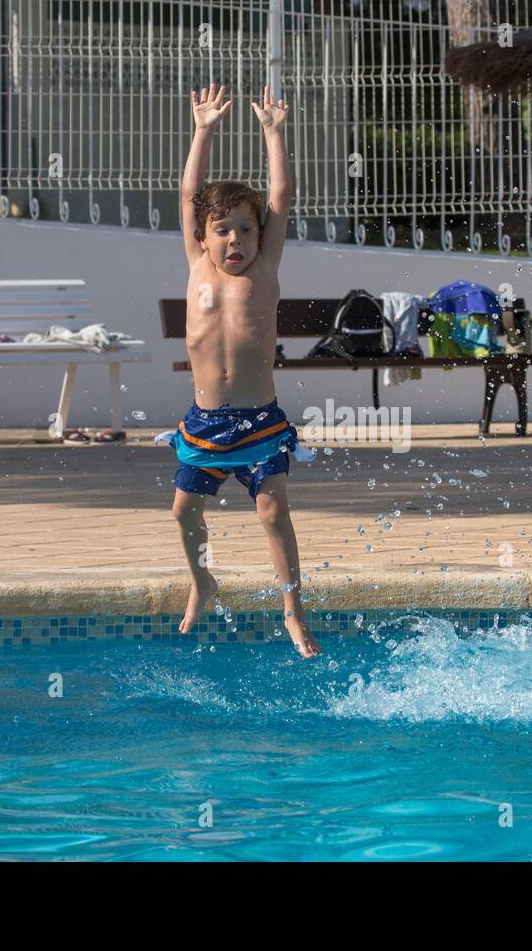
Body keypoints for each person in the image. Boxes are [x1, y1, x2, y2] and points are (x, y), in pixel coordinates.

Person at [168, 81, 321, 659]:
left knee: (274, 512)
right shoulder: (197, 265)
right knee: (184, 511)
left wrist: (273, 134)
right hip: (205, 422)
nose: (235, 240)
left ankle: (292, 608)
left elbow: (281, 193)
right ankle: (202, 580)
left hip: (258, 422)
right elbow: (189, 194)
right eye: (223, 230)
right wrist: (203, 129)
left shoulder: (268, 265)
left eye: (246, 229)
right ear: (204, 238)